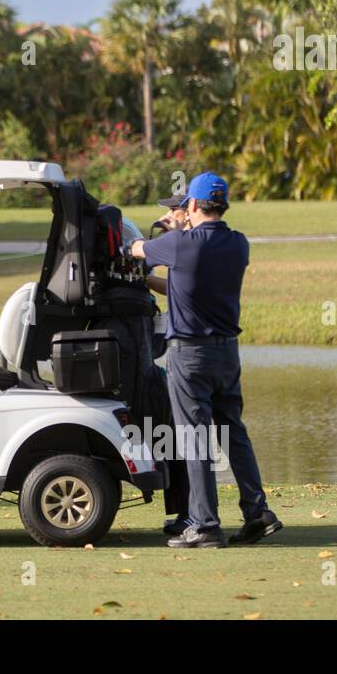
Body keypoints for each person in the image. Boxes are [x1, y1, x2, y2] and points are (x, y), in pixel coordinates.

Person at [129, 173, 281, 548]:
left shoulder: (178, 243)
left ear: (193, 206)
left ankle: (205, 524)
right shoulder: (238, 244)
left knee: (193, 438)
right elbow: (188, 286)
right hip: (226, 353)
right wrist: (176, 235)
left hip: (190, 354)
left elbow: (135, 249)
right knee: (234, 432)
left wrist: (169, 229)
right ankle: (257, 513)